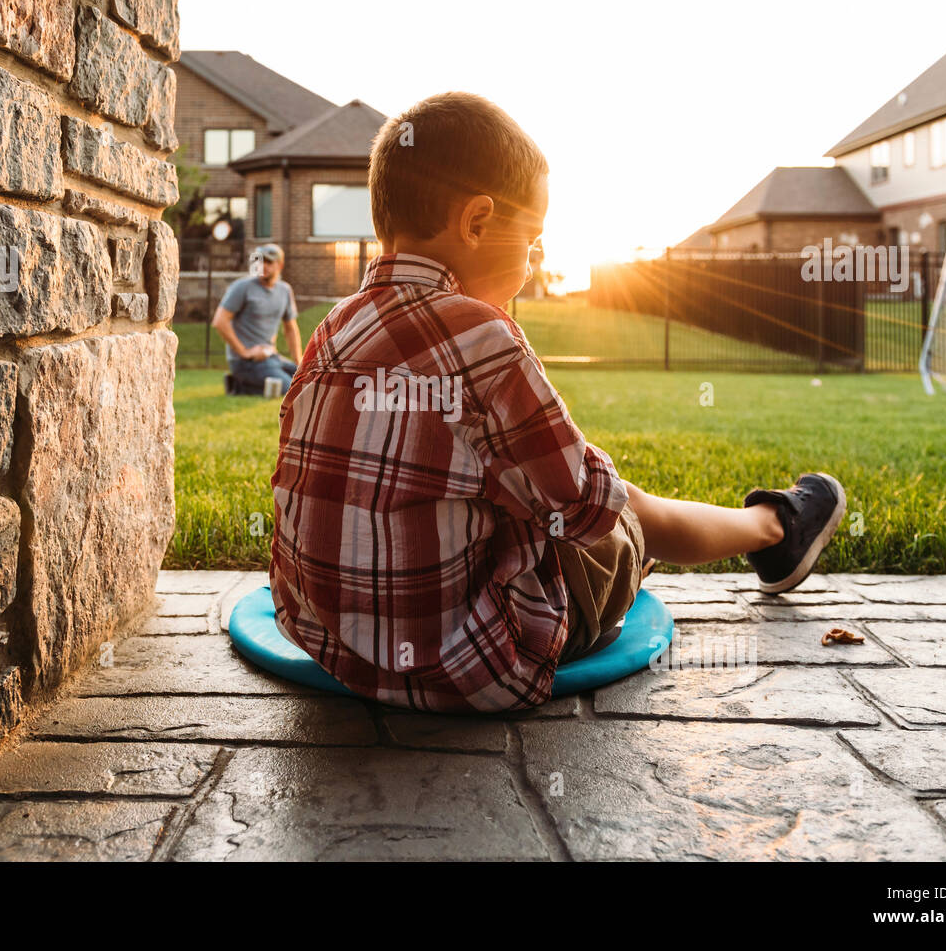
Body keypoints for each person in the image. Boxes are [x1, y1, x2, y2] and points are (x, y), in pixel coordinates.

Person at [269, 92, 846, 714]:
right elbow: (588, 507)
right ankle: (775, 528)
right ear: (477, 222)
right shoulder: (485, 339)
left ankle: (762, 530)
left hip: (327, 640)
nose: (532, 262)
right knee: (628, 511)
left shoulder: (334, 325)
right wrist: (595, 484)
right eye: (532, 241)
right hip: (469, 664)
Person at [211, 243, 303, 395]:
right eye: (260, 261)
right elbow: (220, 321)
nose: (263, 266)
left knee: (306, 379)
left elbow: (290, 328)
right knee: (289, 389)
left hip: (271, 357)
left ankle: (242, 385)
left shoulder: (285, 290)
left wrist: (298, 362)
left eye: (268, 262)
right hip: (246, 362)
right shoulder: (242, 287)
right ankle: (239, 385)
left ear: (280, 265)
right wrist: (244, 352)